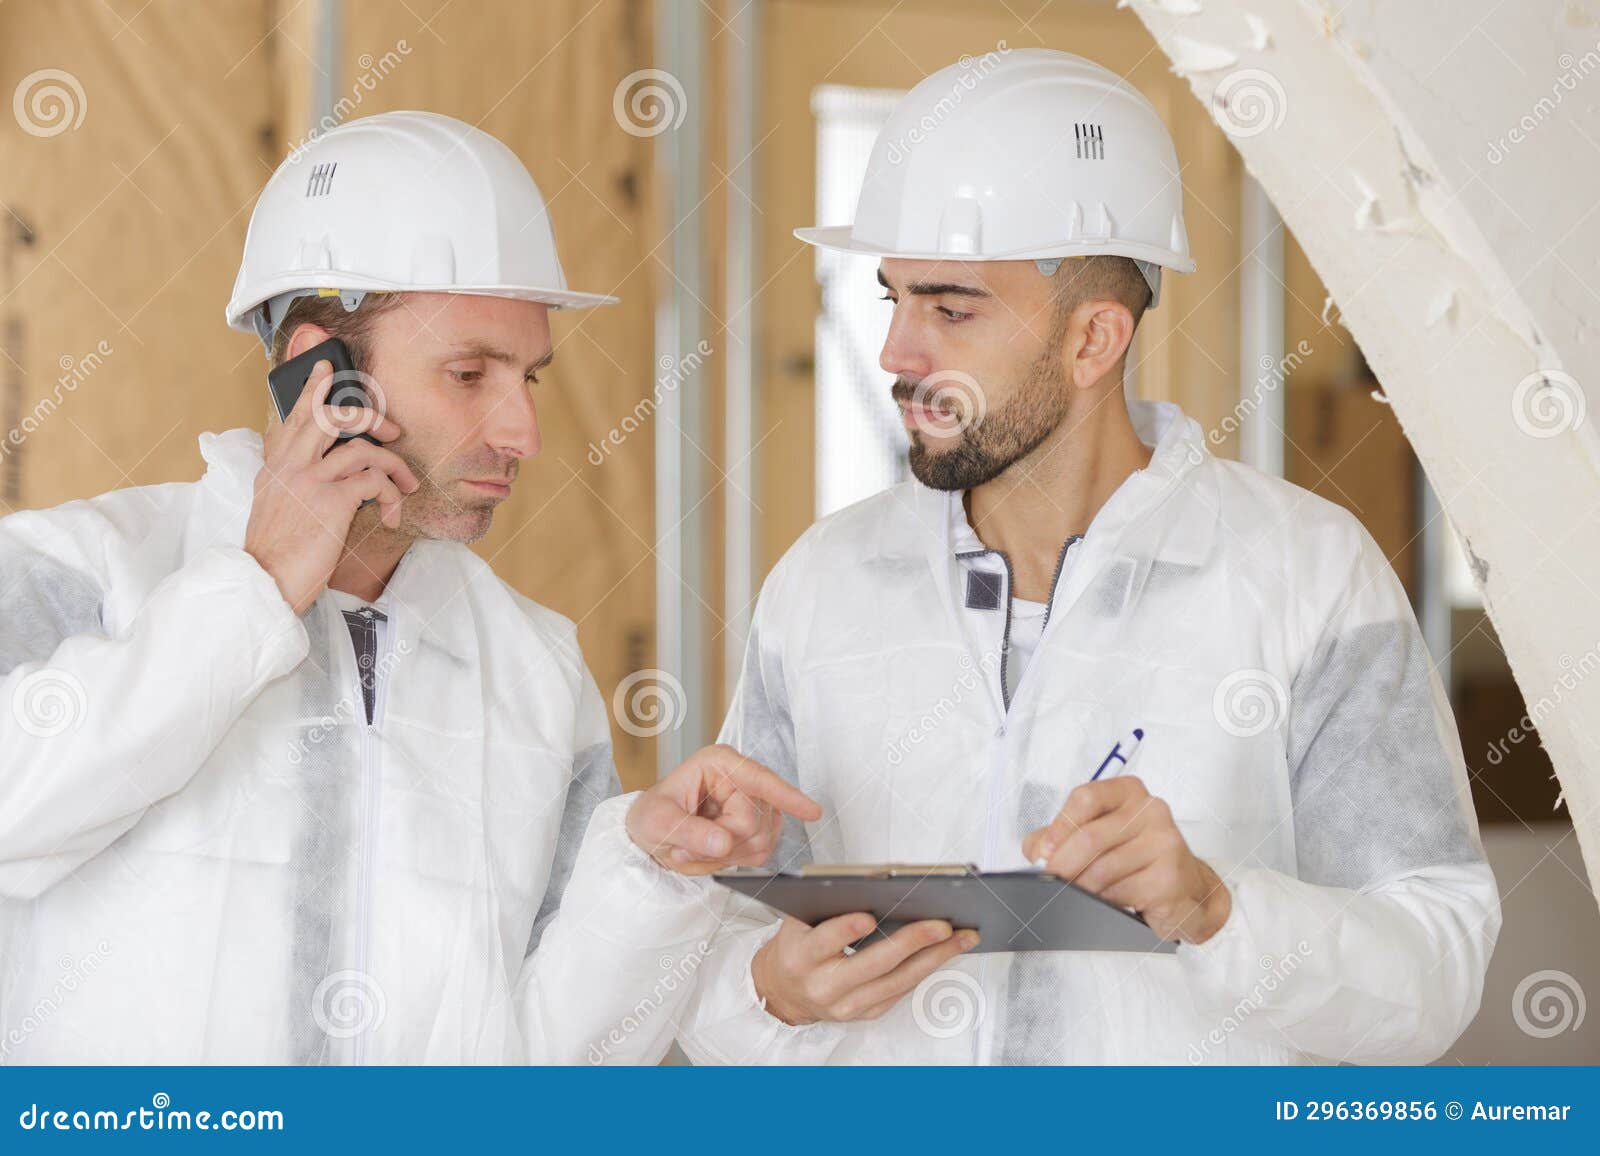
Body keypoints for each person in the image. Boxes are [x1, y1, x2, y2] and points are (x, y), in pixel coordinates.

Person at [677, 50, 1501, 1064]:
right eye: (890, 297)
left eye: (949, 307)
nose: (895, 350)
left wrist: (1216, 908)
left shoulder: (1306, 577)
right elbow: (719, 942)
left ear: (1093, 340)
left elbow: (1432, 976)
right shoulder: (823, 584)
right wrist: (768, 990)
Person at [0, 111, 815, 1063]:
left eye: (530, 378)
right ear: (323, 372)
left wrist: (651, 873)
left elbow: (547, 1067)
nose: (522, 433)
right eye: (469, 373)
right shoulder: (76, 569)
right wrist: (255, 590)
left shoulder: (531, 665)